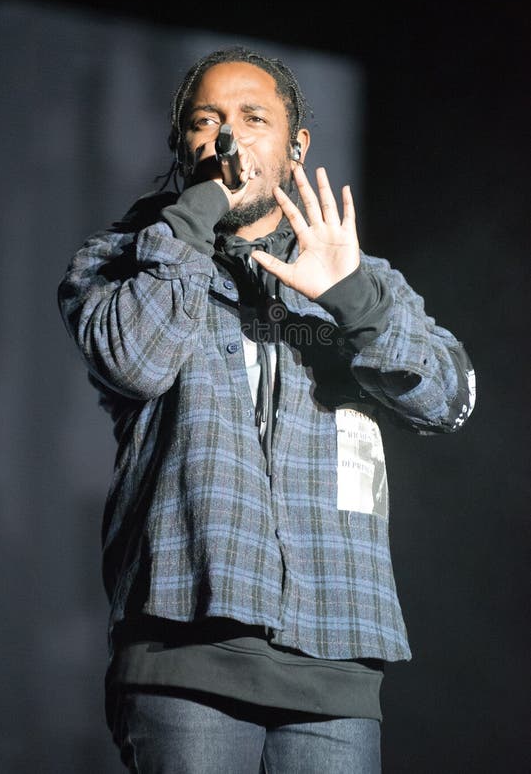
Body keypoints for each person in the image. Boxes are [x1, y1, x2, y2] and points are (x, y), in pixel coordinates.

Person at [57, 45, 476, 772]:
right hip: (184, 654)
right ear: (182, 146)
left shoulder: (358, 275)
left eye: (253, 118)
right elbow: (135, 359)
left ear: (295, 146)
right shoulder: (124, 261)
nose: (228, 137)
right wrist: (194, 218)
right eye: (206, 120)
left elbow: (449, 400)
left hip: (335, 660)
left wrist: (351, 299)